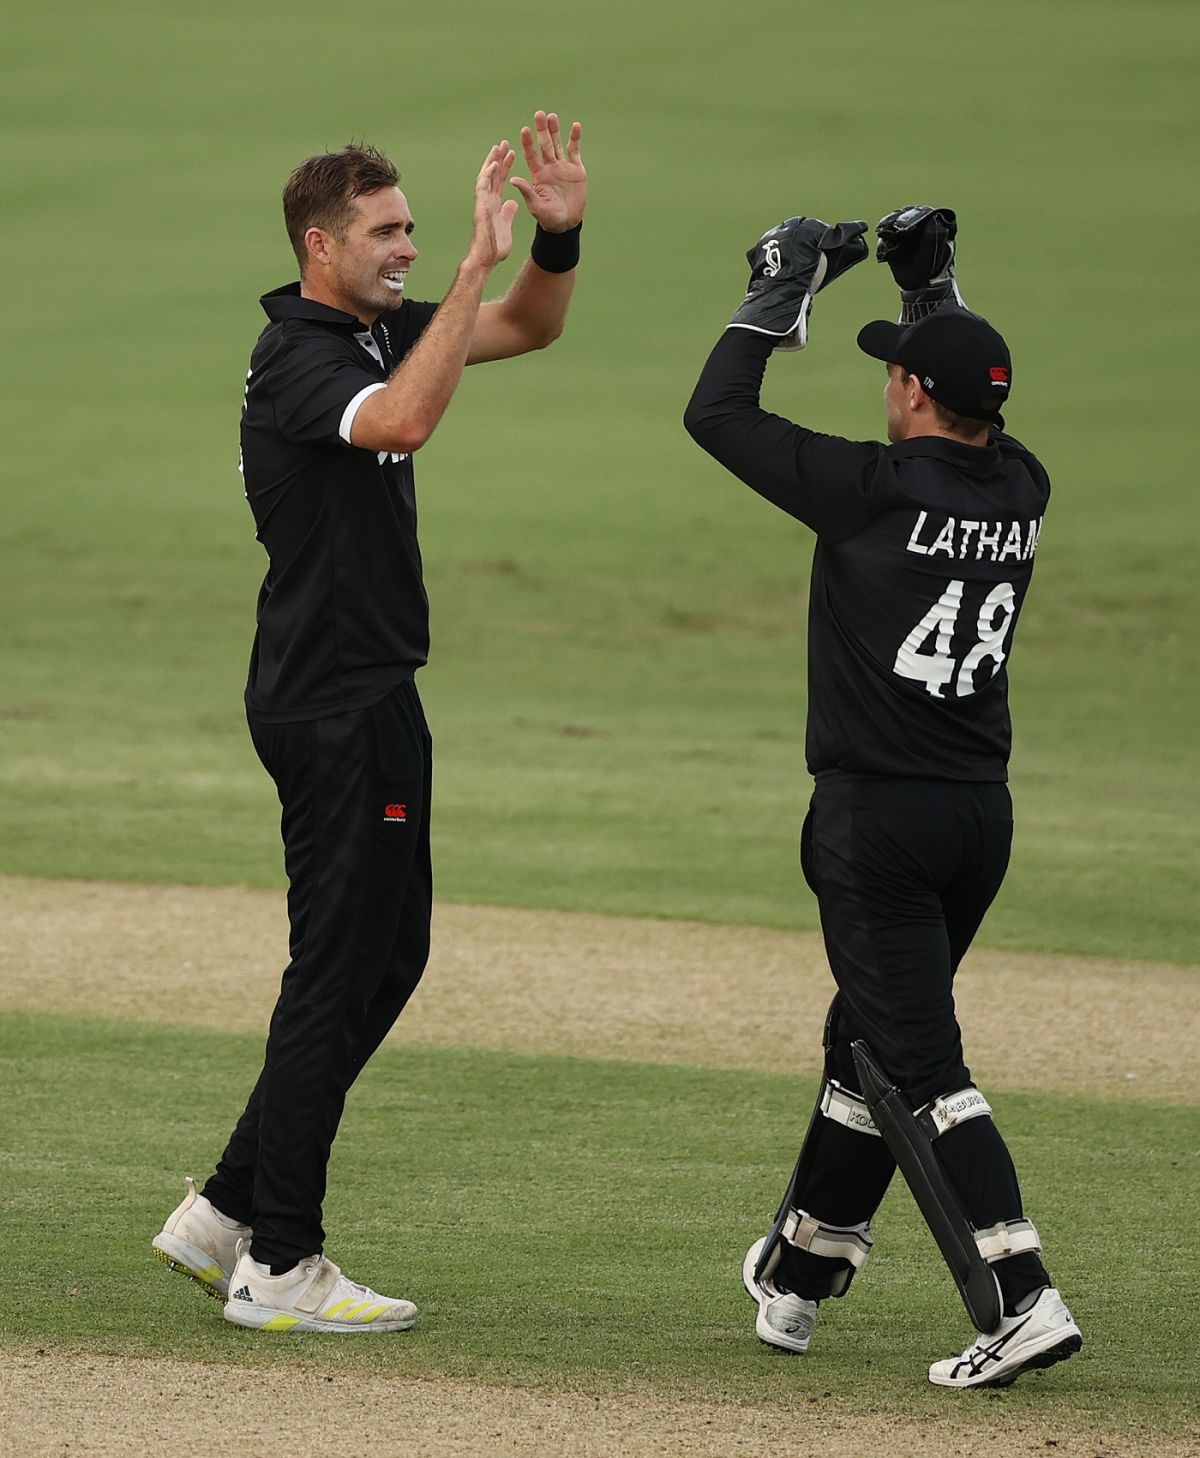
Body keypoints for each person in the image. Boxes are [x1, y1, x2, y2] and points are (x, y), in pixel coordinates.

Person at [153, 113, 587, 1334]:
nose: (406, 245)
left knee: (386, 962)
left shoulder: (366, 329)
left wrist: (553, 240)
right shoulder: (300, 357)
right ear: (318, 242)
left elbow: (532, 328)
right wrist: (465, 272)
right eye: (386, 231)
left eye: (410, 228)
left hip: (370, 692)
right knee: (333, 974)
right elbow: (402, 420)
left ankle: (223, 1213)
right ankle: (280, 1266)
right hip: (331, 704)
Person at [683, 207, 1082, 1388]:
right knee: (867, 1038)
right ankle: (805, 1262)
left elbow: (717, 415)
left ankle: (1022, 1294)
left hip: (877, 829)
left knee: (917, 1060)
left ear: (911, 393)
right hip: (977, 821)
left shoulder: (870, 491)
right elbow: (961, 383)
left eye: (896, 373)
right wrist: (932, 287)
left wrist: (773, 295)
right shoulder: (1022, 483)